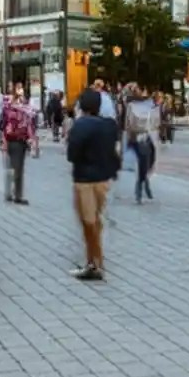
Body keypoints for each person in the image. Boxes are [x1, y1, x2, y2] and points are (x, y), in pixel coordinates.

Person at [66, 88, 120, 282]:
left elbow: (72, 155)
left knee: (89, 223)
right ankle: (94, 262)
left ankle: (95, 265)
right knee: (97, 220)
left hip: (84, 181)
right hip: (103, 179)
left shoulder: (80, 126)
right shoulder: (110, 125)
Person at [123, 84, 160, 204]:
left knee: (151, 159)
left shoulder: (145, 103)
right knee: (144, 162)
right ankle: (140, 188)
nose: (139, 91)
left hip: (146, 136)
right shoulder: (131, 105)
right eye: (135, 90)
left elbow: (153, 119)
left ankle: (145, 181)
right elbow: (128, 124)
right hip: (137, 137)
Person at [0, 84, 35, 205]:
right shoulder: (24, 110)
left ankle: (8, 194)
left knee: (10, 168)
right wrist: (31, 139)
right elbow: (29, 126)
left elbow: (1, 125)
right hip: (18, 140)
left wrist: (2, 141)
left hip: (10, 140)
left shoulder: (7, 109)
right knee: (18, 169)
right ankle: (17, 195)